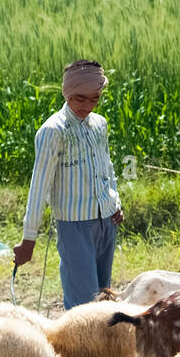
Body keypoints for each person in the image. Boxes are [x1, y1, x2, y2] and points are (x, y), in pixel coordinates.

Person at [14, 59, 124, 309]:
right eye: (79, 99)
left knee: (102, 296)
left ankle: (100, 349)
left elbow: (107, 167)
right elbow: (38, 187)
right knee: (82, 303)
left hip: (106, 222)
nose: (87, 106)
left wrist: (114, 203)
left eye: (94, 99)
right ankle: (78, 348)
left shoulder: (99, 124)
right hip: (74, 226)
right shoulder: (53, 131)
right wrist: (28, 239)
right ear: (67, 94)